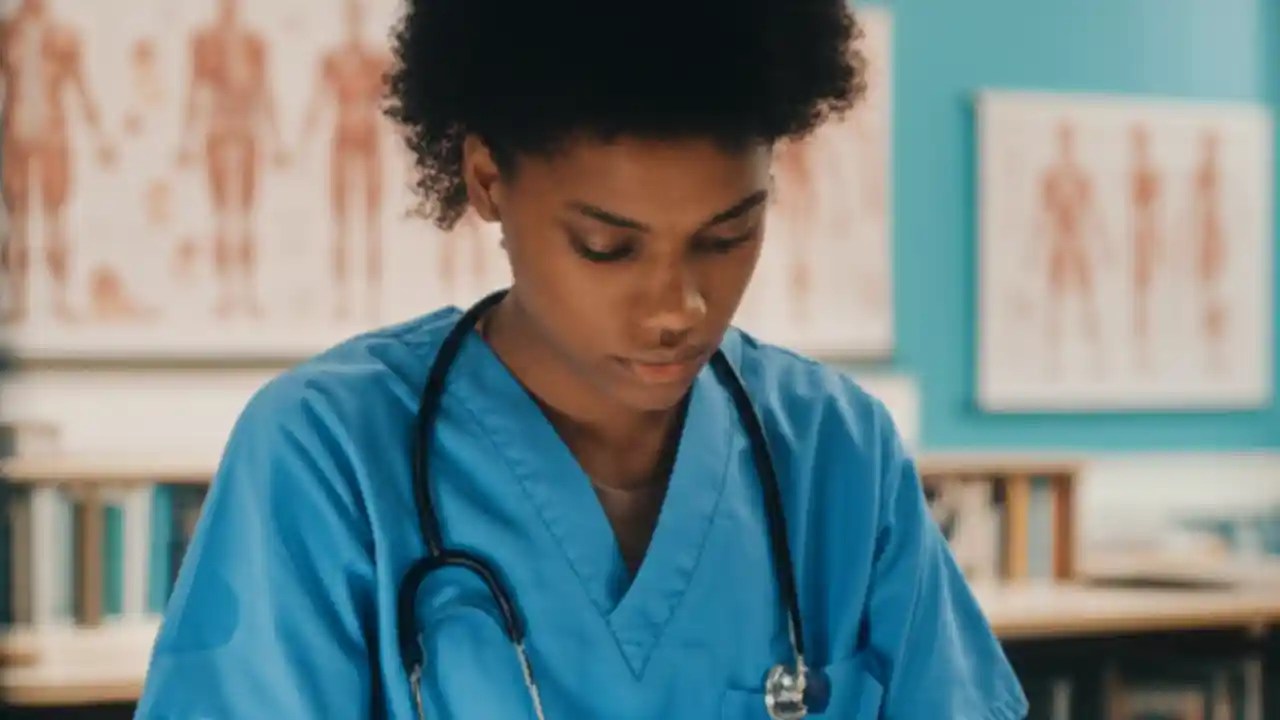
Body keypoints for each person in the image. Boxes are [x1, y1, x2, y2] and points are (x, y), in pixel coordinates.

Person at [136, 1, 1029, 718]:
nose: (680, 308)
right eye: (609, 247)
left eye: (730, 235)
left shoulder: (836, 453)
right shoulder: (327, 455)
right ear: (487, 181)